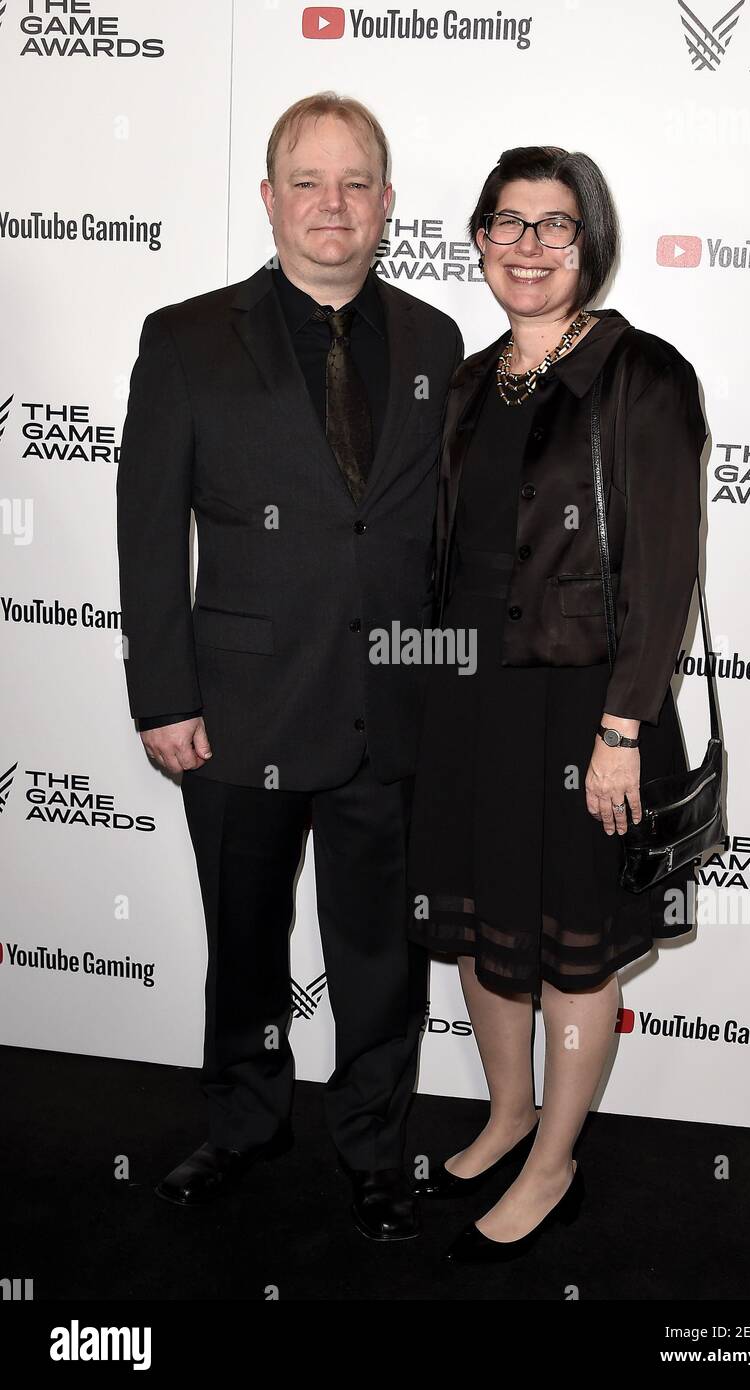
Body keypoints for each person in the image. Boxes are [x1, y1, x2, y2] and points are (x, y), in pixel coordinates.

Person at [116, 92, 462, 1242]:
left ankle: (373, 1145)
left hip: (386, 710)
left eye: (354, 183)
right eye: (306, 182)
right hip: (237, 711)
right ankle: (245, 1119)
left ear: (386, 205)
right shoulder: (185, 336)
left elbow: (431, 540)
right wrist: (163, 693)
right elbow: (148, 524)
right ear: (267, 199)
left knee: (379, 953)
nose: (331, 205)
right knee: (246, 944)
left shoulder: (432, 340)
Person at [407, 145, 708, 1264]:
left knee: (571, 945)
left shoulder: (642, 374)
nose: (526, 246)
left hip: (587, 708)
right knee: (485, 929)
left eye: (553, 224)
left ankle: (553, 1161)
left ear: (590, 240)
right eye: (506, 222)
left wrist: (622, 729)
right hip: (472, 705)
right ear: (478, 238)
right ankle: (506, 1114)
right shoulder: (474, 378)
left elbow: (667, 564)